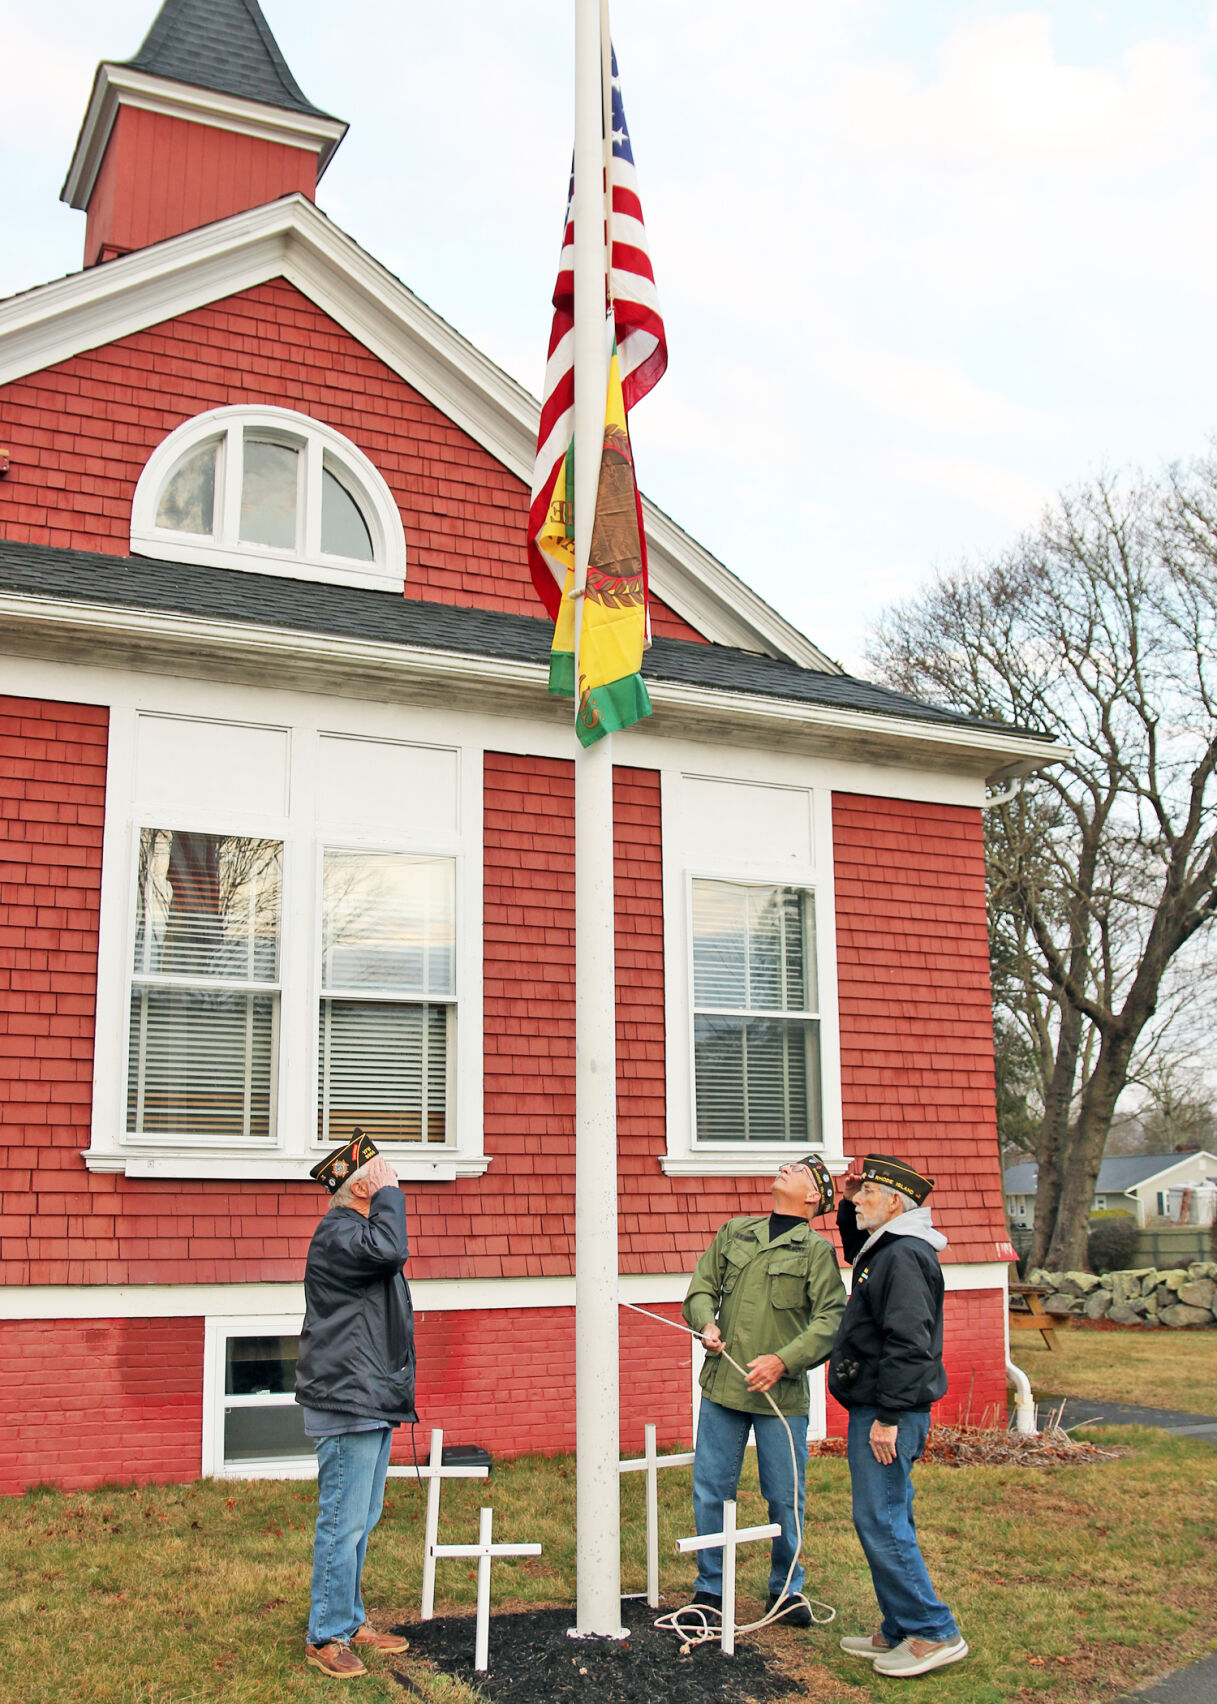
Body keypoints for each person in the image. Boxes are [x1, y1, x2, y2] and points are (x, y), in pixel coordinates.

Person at [681, 1157, 846, 1625]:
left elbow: (830, 1320)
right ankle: (709, 1590)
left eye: (796, 1170)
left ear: (813, 1198)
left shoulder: (815, 1252)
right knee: (711, 1490)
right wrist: (705, 1322)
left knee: (784, 1494)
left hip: (782, 1397)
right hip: (723, 1388)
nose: (783, 1168)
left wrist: (782, 1361)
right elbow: (700, 1289)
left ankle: (787, 1590)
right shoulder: (735, 1232)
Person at [829, 1152, 968, 1679]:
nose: (859, 1199)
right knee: (885, 1516)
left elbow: (910, 1345)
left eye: (867, 1194)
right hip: (880, 1406)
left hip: (891, 1411)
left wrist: (888, 1416)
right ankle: (899, 1626)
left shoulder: (904, 1256)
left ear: (894, 1202)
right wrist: (846, 1202)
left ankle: (933, 1631)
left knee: (881, 1519)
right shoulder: (886, 1249)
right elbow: (853, 1244)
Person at [295, 1130, 417, 1679]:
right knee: (343, 1520)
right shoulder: (339, 1233)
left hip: (367, 1394)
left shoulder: (355, 1233)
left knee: (361, 1518)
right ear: (362, 1184)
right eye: (383, 1172)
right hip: (348, 1399)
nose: (392, 1177)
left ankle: (349, 1618)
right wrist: (392, 1197)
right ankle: (325, 1635)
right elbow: (393, 1250)